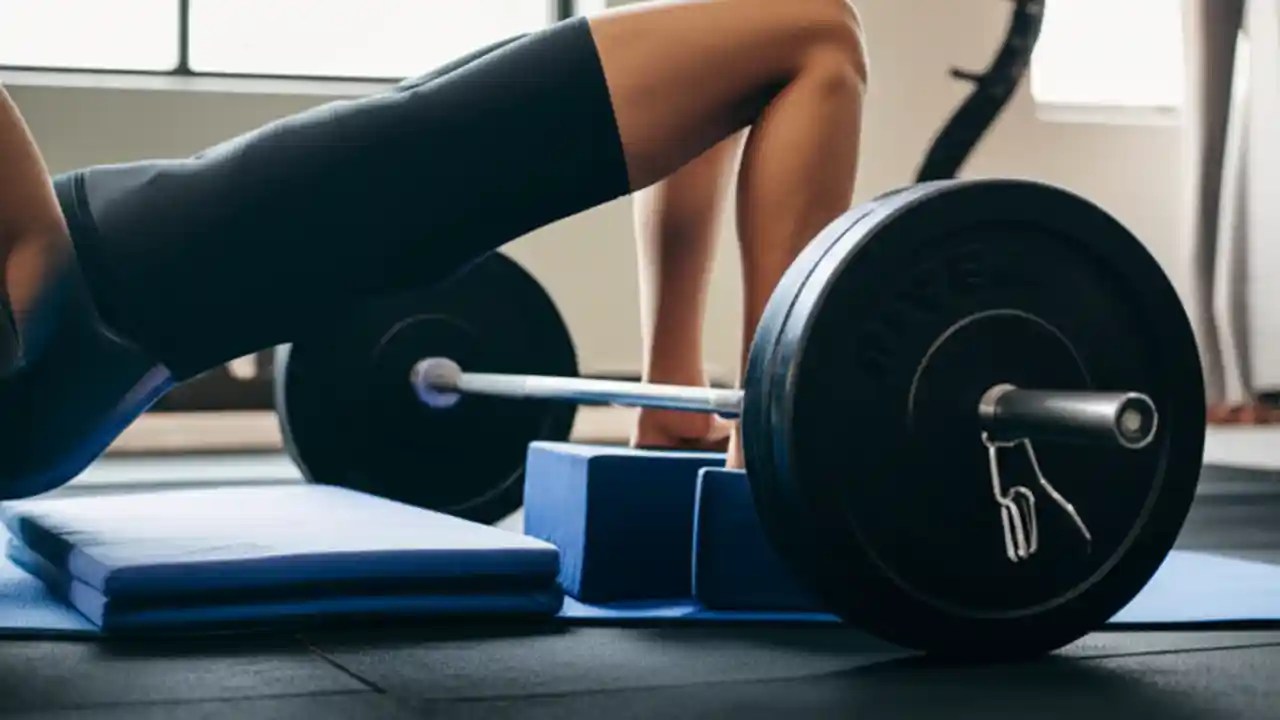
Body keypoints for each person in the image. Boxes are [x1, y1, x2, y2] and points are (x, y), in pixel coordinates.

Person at [0, 0, 869, 498]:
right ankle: (776, 447)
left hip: (96, 336)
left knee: (726, 42)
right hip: (126, 274)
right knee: (814, 35)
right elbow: (37, 254)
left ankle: (675, 410)